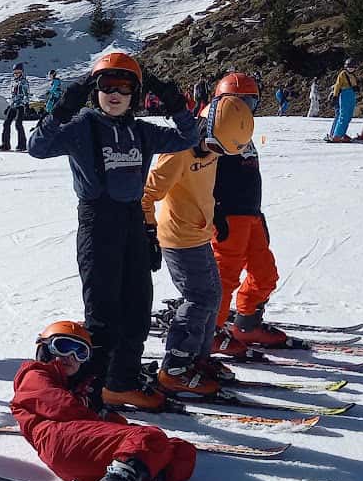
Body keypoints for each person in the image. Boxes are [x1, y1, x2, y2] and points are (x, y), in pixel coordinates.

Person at [27, 51, 198, 412]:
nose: (115, 93)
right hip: (97, 224)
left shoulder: (142, 132)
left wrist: (173, 100)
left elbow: (189, 136)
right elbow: (37, 148)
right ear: (96, 91)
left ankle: (121, 383)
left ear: (135, 93)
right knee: (104, 315)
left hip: (132, 224)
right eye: (107, 86)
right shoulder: (81, 129)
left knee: (138, 307)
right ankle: (91, 393)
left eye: (124, 87)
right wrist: (61, 109)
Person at [10, 321, 196, 481]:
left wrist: (123, 431)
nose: (70, 356)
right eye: (63, 346)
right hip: (60, 439)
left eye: (80, 352)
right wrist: (128, 434)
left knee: (181, 451)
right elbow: (60, 407)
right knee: (148, 438)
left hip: (82, 452)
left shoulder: (77, 390)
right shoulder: (35, 374)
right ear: (44, 348)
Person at [142, 94, 253, 396]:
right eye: (215, 146)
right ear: (204, 128)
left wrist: (215, 209)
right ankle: (174, 367)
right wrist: (148, 231)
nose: (216, 153)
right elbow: (147, 194)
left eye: (222, 151)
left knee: (212, 296)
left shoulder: (214, 145)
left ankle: (197, 359)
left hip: (200, 233)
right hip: (177, 237)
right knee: (197, 298)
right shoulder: (177, 152)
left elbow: (205, 183)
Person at [207, 74, 287, 358]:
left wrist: (257, 215)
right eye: (236, 101)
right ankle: (211, 332)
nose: (242, 107)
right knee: (224, 276)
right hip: (227, 215)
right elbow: (199, 175)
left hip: (250, 214)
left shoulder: (242, 130)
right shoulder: (210, 129)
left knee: (265, 273)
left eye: (249, 101)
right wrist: (213, 211)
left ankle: (247, 323)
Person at [324, 59, 358, 142]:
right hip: (344, 94)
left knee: (348, 116)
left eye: (352, 67)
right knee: (344, 115)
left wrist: (356, 88)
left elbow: (354, 84)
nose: (351, 68)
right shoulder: (343, 74)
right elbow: (337, 85)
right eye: (349, 67)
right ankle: (337, 135)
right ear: (346, 67)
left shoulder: (353, 75)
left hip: (351, 95)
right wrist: (335, 96)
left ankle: (342, 133)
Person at [0, 63, 30, 151]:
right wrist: (9, 106)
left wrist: (26, 104)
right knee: (6, 123)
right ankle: (5, 144)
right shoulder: (14, 82)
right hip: (13, 105)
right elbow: (12, 95)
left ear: (22, 72)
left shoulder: (24, 82)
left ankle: (22, 145)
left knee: (18, 124)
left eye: (18, 72)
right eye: (15, 72)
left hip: (20, 106)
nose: (16, 74)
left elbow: (26, 94)